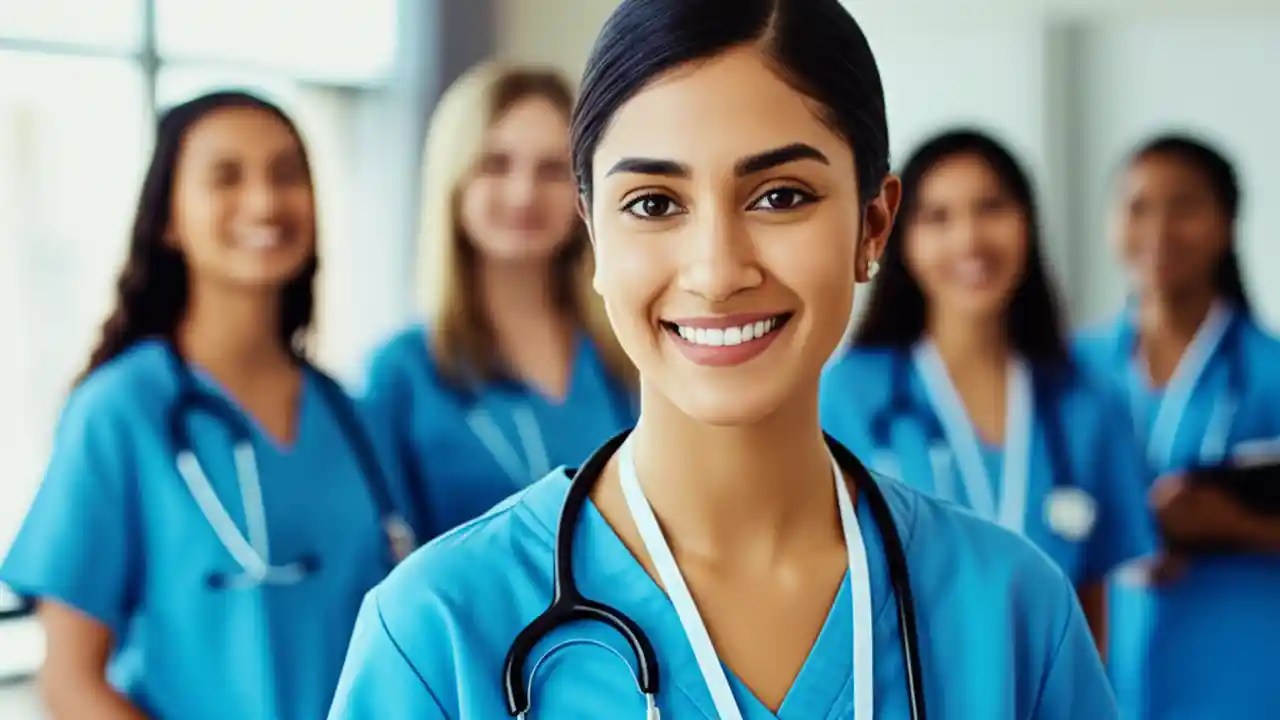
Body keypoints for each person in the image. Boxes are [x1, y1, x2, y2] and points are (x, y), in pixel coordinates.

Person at [328, 1, 1118, 718]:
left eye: (780, 196)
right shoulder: (437, 632)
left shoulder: (1014, 614)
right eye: (653, 204)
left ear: (873, 226)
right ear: (593, 234)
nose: (716, 271)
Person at [0, 91, 411, 720]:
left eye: (286, 174)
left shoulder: (353, 417)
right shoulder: (120, 411)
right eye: (226, 177)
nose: (265, 201)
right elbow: (70, 682)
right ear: (168, 219)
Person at [820, 130, 1152, 643]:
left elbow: (1091, 607)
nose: (969, 239)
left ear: (1027, 222)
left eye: (991, 208)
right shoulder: (848, 396)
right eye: (938, 217)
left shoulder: (1087, 402)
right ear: (900, 238)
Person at [361, 62, 636, 540]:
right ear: (455, 182)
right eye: (496, 165)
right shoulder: (400, 374)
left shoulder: (626, 353)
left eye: (551, 170)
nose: (523, 193)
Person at [1074, 135, 1280, 719]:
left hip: (1241, 678)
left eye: (1185, 206)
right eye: (1138, 207)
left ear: (1226, 223)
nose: (1159, 229)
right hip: (1105, 679)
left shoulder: (1270, 372)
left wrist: (1232, 524)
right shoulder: (1071, 370)